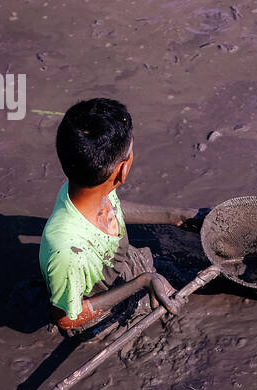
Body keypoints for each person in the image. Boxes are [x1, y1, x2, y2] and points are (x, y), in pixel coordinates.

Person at [39, 98, 193, 337]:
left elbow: (114, 207)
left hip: (118, 265)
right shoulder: (66, 252)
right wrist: (142, 282)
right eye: (131, 150)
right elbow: (67, 319)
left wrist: (176, 216)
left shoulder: (85, 187)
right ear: (123, 169)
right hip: (97, 311)